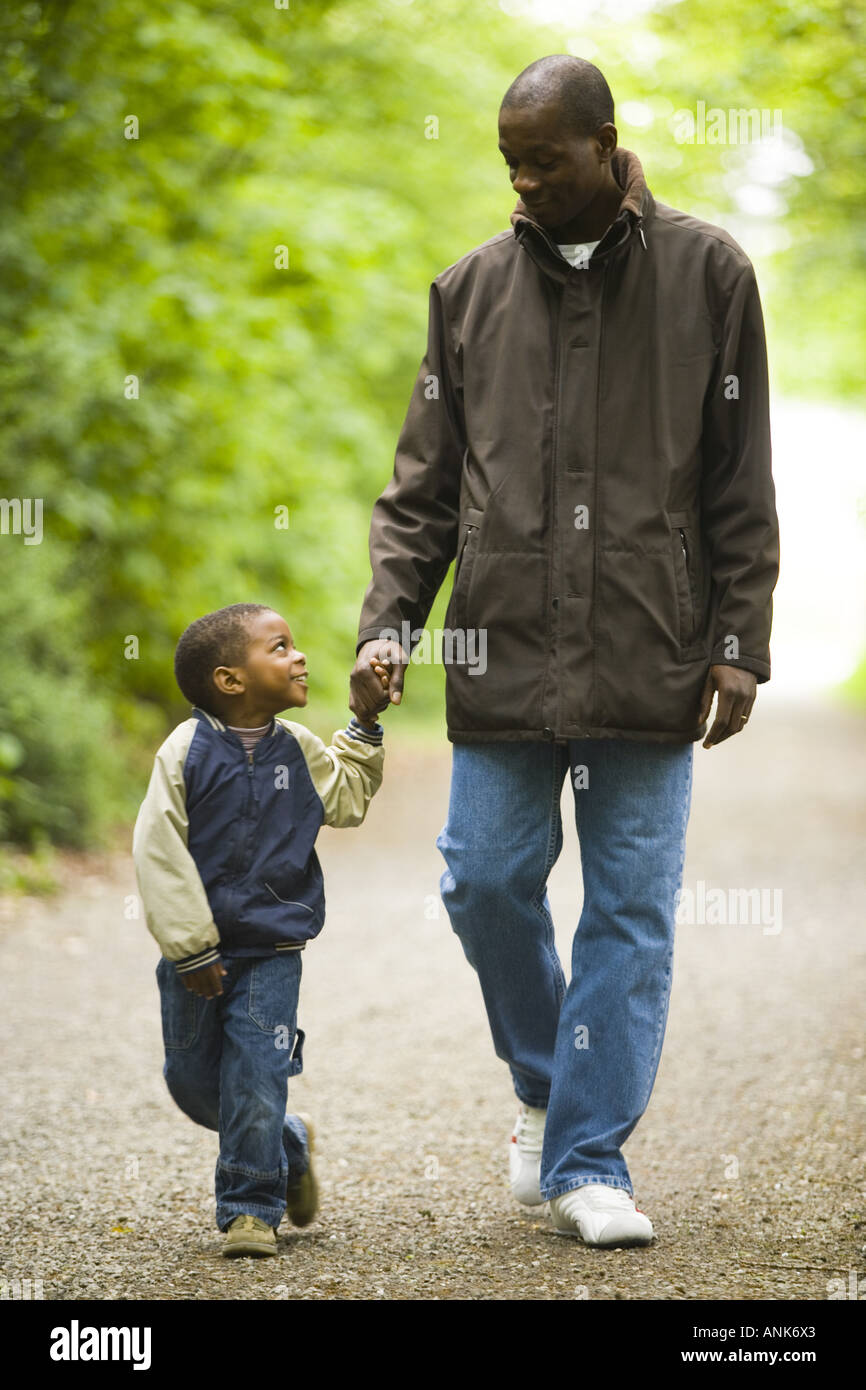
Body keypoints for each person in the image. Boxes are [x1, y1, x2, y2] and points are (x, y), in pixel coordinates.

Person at [350, 55, 779, 1248]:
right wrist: (390, 625)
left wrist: (737, 637)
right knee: (482, 878)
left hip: (652, 646)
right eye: (510, 163)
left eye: (543, 159)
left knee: (628, 910)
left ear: (604, 142)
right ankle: (548, 1083)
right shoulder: (469, 290)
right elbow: (421, 492)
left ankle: (588, 1157)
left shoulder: (709, 274)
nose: (523, 182)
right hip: (506, 646)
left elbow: (740, 479)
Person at [133, 603, 387, 1257]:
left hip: (273, 947)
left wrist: (365, 722)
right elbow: (158, 849)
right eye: (279, 647)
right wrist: (190, 946)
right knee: (191, 1081)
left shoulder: (298, 749)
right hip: (198, 953)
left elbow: (348, 800)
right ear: (230, 680)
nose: (299, 656)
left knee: (254, 1074)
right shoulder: (185, 752)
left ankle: (250, 1209)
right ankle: (288, 1143)